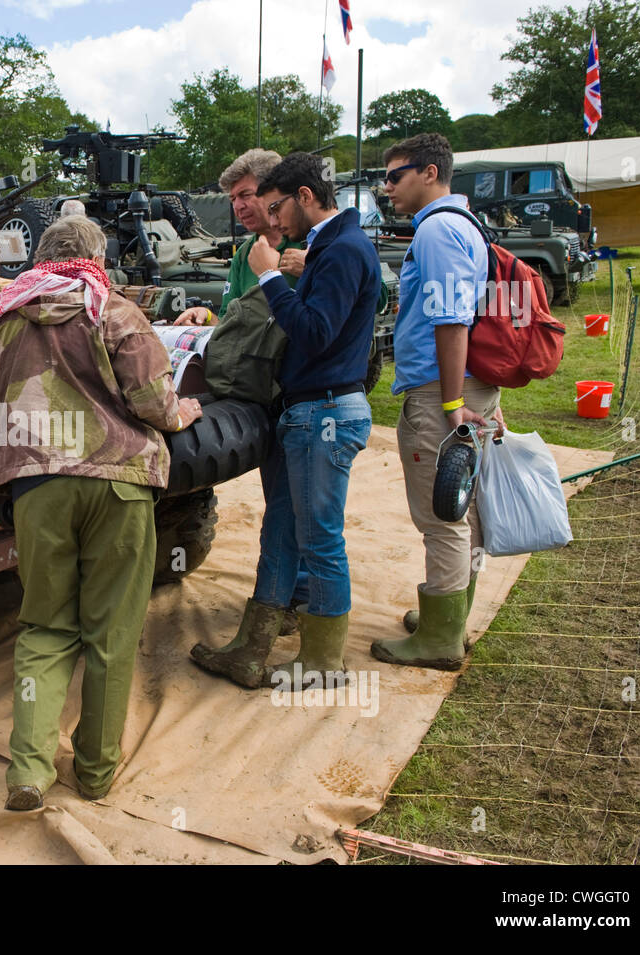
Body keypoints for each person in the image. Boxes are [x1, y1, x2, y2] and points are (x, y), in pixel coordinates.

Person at [0, 216, 202, 810]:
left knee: (44, 628)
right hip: (117, 483)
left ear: (37, 259)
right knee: (111, 636)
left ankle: (28, 774)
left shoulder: (5, 314)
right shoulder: (114, 312)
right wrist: (186, 411)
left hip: (36, 487)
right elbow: (155, 405)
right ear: (98, 257)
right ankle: (94, 773)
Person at [189, 152, 379, 691]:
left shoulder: (343, 249)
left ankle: (322, 662)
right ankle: (251, 650)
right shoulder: (332, 247)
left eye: (277, 207)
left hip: (324, 410)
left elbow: (315, 332)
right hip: (307, 411)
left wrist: (271, 277)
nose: (275, 221)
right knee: (281, 532)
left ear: (304, 195)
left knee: (319, 539)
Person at [370, 133, 505, 670]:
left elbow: (452, 319)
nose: (386, 188)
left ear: (429, 173)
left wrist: (451, 405)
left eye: (394, 175)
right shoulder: (464, 224)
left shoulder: (437, 230)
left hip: (443, 393)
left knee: (441, 515)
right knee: (462, 507)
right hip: (465, 387)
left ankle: (441, 639)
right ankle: (448, 614)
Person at [173, 149, 306, 327]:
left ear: (273, 191)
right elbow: (229, 323)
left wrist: (314, 266)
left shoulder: (309, 241)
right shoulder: (244, 255)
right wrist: (206, 316)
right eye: (233, 199)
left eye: (245, 195)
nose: (237, 206)